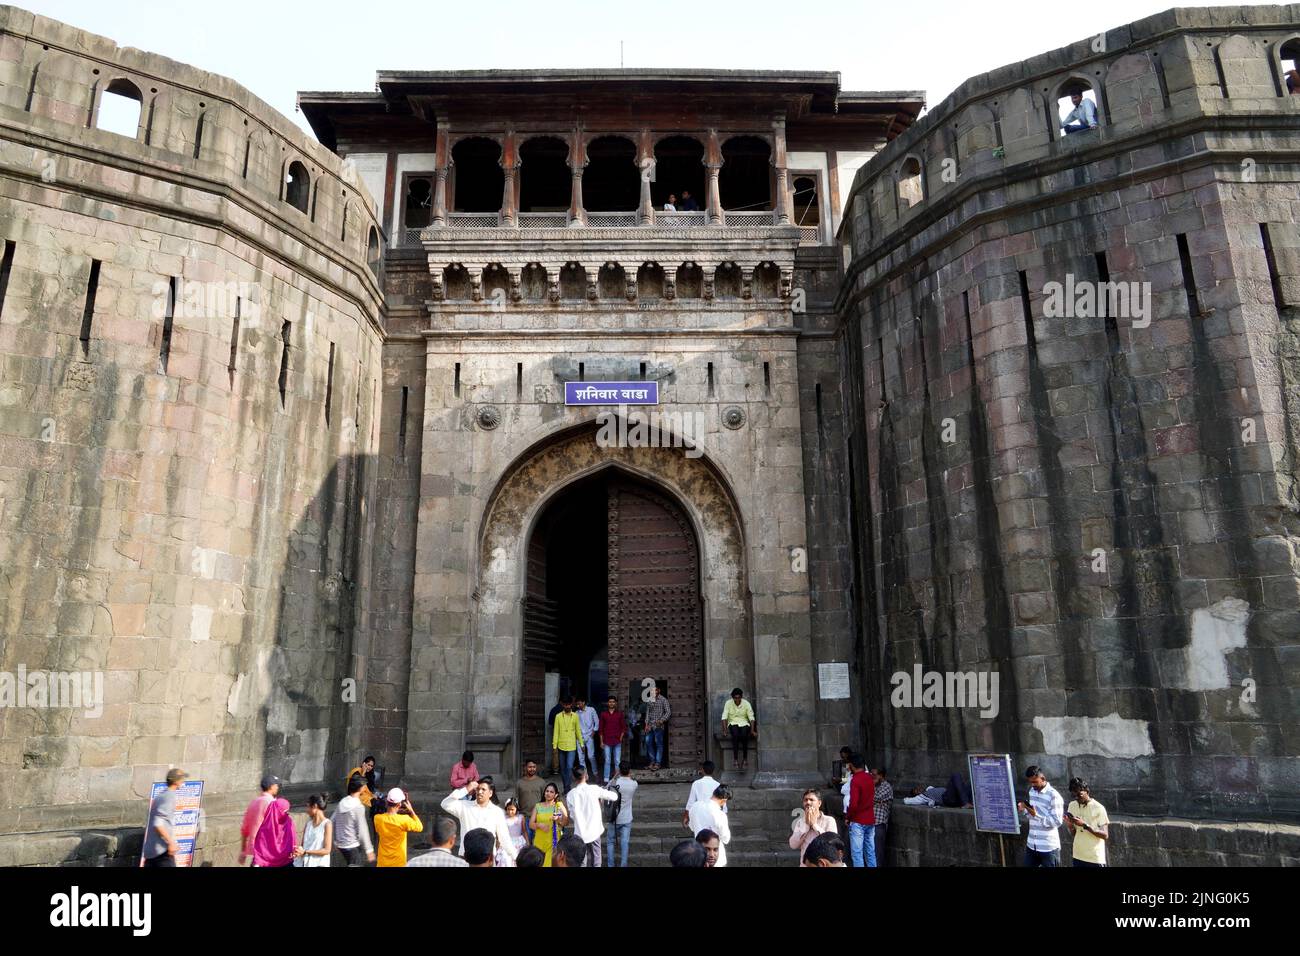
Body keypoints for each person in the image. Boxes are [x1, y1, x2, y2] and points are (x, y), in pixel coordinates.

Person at [440, 779, 517, 864]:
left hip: (487, 859)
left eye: (483, 789)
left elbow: (504, 838)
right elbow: (445, 804)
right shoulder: (465, 806)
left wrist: (516, 857)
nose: (480, 792)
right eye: (478, 789)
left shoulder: (497, 812)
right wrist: (466, 789)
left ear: (490, 793)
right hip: (466, 858)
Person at [564, 765, 618, 867]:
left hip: (580, 832)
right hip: (594, 831)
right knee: (597, 860)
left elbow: (572, 815)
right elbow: (614, 797)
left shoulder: (571, 794)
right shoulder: (594, 789)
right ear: (586, 775)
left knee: (582, 861)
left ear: (574, 778)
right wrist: (602, 792)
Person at [1017, 765, 1065, 867]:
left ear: (1043, 779)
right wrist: (1024, 810)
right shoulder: (1032, 791)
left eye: (1035, 782)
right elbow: (1031, 816)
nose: (1032, 784)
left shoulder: (1054, 796)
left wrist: (1037, 815)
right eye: (1030, 782)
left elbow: (1057, 821)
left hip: (1048, 847)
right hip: (1032, 844)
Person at [142, 767, 186, 867]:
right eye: (182, 779)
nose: (183, 782)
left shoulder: (160, 796)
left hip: (151, 852)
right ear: (177, 781)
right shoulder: (170, 796)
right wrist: (171, 843)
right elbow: (158, 824)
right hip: (162, 852)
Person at [1065, 778, 1109, 868]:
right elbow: (1074, 833)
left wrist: (1085, 825)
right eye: (1074, 796)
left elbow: (1105, 835)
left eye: (1079, 794)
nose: (1077, 798)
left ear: (1086, 791)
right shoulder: (1072, 805)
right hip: (1078, 855)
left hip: (1094, 858)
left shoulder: (1099, 808)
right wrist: (1070, 826)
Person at [332, 775, 375, 866]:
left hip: (341, 845)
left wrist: (335, 840)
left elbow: (332, 821)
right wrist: (369, 849)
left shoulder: (342, 802)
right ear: (361, 788)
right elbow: (362, 829)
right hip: (352, 845)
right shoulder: (358, 807)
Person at [374, 788, 423, 868]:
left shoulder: (378, 819)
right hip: (399, 863)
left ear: (387, 802)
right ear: (399, 804)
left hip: (382, 863)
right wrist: (411, 811)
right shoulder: (404, 820)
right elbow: (419, 827)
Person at [238, 774, 280, 866]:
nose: (277, 787)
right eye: (276, 785)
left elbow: (244, 829)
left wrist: (243, 851)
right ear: (271, 786)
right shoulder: (273, 804)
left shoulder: (253, 802)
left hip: (257, 851)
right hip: (268, 851)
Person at [687, 783, 731, 867]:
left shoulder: (695, 806)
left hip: (698, 855)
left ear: (713, 793)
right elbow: (726, 839)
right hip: (716, 859)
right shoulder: (720, 815)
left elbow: (692, 827)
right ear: (724, 800)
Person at [789, 788, 837, 864]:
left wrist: (814, 825)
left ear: (819, 803)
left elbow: (832, 844)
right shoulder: (800, 822)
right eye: (805, 800)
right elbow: (793, 845)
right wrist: (806, 826)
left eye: (811, 800)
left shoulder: (829, 820)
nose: (808, 802)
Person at [845, 753, 877, 867]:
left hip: (858, 820)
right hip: (870, 819)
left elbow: (853, 804)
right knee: (870, 852)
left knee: (857, 854)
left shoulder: (856, 780)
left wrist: (848, 817)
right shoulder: (869, 777)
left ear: (852, 765)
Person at [606, 761, 638, 868]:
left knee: (610, 842)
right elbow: (633, 781)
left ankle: (611, 865)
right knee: (625, 843)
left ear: (619, 770)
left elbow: (606, 787)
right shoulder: (634, 784)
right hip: (627, 818)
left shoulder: (615, 783)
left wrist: (614, 776)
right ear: (629, 770)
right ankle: (623, 865)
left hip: (614, 818)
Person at [529, 782, 568, 867]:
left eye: (551, 792)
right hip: (539, 842)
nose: (548, 793)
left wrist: (558, 820)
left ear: (556, 794)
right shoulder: (538, 806)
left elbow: (566, 822)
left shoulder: (558, 806)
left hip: (553, 843)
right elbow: (531, 824)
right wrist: (539, 825)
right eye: (547, 791)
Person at [252, 796, 296, 868]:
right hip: (267, 864)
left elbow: (292, 840)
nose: (287, 814)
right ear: (277, 812)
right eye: (285, 811)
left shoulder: (288, 822)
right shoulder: (265, 828)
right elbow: (260, 850)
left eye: (288, 811)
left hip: (286, 862)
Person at [552, 696, 584, 791]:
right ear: (563, 705)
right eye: (565, 704)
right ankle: (566, 786)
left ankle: (567, 788)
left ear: (571, 705)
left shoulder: (575, 716)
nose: (567, 706)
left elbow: (578, 731)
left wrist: (581, 744)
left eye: (569, 704)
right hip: (561, 745)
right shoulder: (558, 716)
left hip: (571, 746)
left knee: (569, 767)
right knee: (562, 769)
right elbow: (556, 732)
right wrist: (554, 746)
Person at [721, 687, 757, 771]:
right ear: (733, 698)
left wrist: (752, 730)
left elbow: (751, 718)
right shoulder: (728, 703)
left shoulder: (746, 703)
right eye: (735, 698)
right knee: (735, 735)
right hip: (733, 723)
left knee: (744, 735)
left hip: (744, 722)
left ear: (741, 697)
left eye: (738, 697)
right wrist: (725, 730)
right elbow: (724, 717)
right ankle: (735, 759)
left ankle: (745, 759)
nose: (737, 699)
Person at [294, 794, 333, 867]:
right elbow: (302, 846)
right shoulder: (308, 824)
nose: (306, 810)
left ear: (315, 806)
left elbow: (327, 850)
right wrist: (298, 851)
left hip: (319, 864)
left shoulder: (327, 824)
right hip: (305, 863)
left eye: (308, 806)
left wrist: (306, 852)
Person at [515, 759, 547, 842]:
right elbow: (516, 800)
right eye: (530, 767)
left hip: (538, 817)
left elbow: (545, 799)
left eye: (534, 767)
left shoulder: (541, 782)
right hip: (525, 817)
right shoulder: (519, 783)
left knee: (538, 842)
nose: (532, 769)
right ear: (525, 768)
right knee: (527, 842)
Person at [598, 695, 628, 783]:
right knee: (607, 760)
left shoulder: (619, 714)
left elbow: (624, 728)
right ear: (608, 703)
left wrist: (620, 738)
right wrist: (601, 742)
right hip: (606, 741)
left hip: (617, 741)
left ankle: (617, 777)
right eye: (610, 702)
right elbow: (600, 729)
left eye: (613, 702)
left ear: (616, 703)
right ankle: (606, 778)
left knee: (617, 760)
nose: (611, 703)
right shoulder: (603, 714)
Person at [683, 760, 720, 827]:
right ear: (713, 770)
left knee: (700, 835)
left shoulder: (696, 783)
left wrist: (686, 817)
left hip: (700, 815)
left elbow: (690, 803)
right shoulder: (718, 785)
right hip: (714, 815)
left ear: (702, 770)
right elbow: (723, 806)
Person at [643, 685, 671, 771]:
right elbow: (648, 713)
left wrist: (661, 720)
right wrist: (646, 724)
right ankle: (652, 762)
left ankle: (658, 763)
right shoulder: (649, 700)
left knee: (658, 744)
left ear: (658, 691)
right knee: (648, 743)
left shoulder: (663, 700)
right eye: (651, 691)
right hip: (650, 726)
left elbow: (668, 712)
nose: (652, 692)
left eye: (654, 691)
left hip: (659, 726)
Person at [873, 767, 893, 866]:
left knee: (878, 853)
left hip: (879, 824)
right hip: (868, 823)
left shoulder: (886, 786)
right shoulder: (874, 785)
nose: (872, 777)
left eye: (875, 775)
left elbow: (875, 797)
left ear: (881, 776)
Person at [576, 696, 600, 774]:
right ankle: (585, 776)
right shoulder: (576, 713)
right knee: (581, 758)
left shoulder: (591, 710)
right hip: (580, 737)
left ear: (583, 702)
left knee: (591, 756)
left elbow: (597, 721)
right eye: (577, 704)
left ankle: (595, 773)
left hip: (590, 736)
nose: (578, 705)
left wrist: (594, 731)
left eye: (579, 704)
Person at [503, 798, 529, 864]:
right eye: (508, 809)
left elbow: (524, 831)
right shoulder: (504, 818)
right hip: (508, 841)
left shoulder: (520, 817)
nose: (510, 811)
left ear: (516, 809)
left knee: (518, 858)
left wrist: (527, 842)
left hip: (519, 842)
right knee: (507, 859)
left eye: (512, 809)